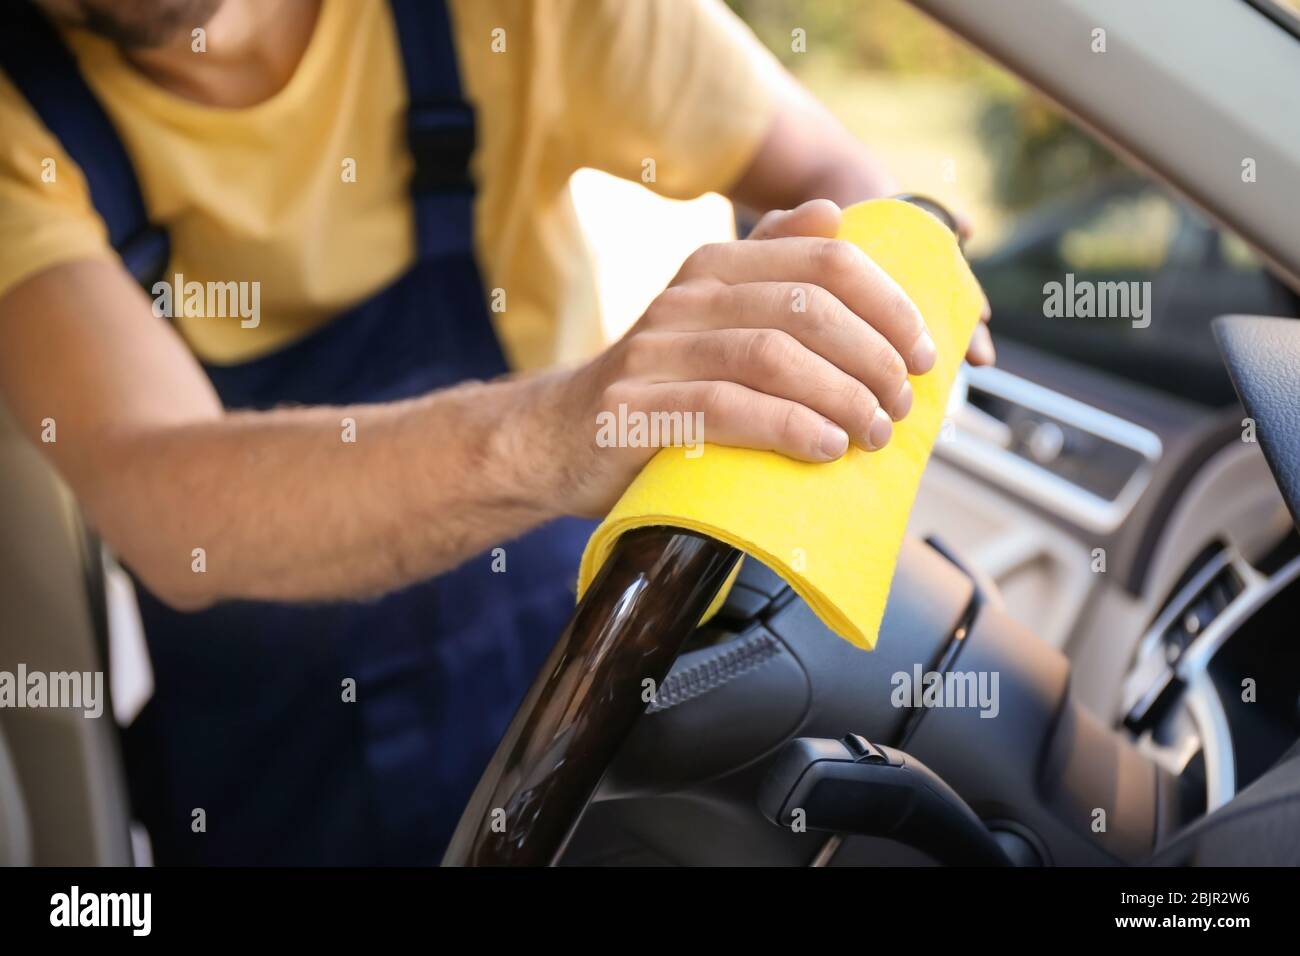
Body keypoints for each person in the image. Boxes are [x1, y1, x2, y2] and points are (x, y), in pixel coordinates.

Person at [0, 0, 993, 864]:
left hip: (562, 670)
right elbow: (163, 498)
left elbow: (827, 174)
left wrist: (869, 290)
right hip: (277, 764)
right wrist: (558, 431)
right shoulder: (20, 117)